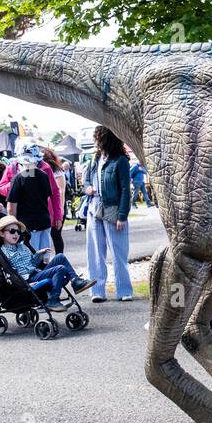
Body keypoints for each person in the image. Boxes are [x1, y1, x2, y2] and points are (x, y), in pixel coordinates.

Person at [0, 215, 95, 308]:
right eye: (12, 231)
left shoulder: (22, 246)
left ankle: (75, 281)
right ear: (2, 233)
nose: (16, 234)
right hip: (27, 279)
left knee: (60, 257)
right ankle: (53, 299)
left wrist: (39, 255)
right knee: (60, 269)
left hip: (36, 272)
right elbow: (11, 275)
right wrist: (24, 285)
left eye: (18, 231)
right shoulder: (3, 252)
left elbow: (32, 263)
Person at [83, 126, 132, 303]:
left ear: (104, 140)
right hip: (94, 208)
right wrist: (87, 188)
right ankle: (97, 291)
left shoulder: (120, 161)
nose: (95, 142)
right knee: (95, 252)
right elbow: (85, 180)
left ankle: (124, 290)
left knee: (119, 253)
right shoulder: (94, 159)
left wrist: (122, 215)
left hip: (113, 209)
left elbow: (126, 190)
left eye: (97, 138)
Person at [4, 149, 55, 254]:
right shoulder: (44, 176)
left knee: (31, 258)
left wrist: (12, 225)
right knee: (45, 257)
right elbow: (47, 198)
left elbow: (11, 207)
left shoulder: (18, 178)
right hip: (44, 221)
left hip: (28, 225)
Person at [41, 146, 67, 255]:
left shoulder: (57, 172)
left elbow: (60, 192)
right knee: (48, 235)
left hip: (57, 206)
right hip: (46, 207)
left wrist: (60, 212)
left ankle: (59, 258)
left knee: (56, 235)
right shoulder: (42, 170)